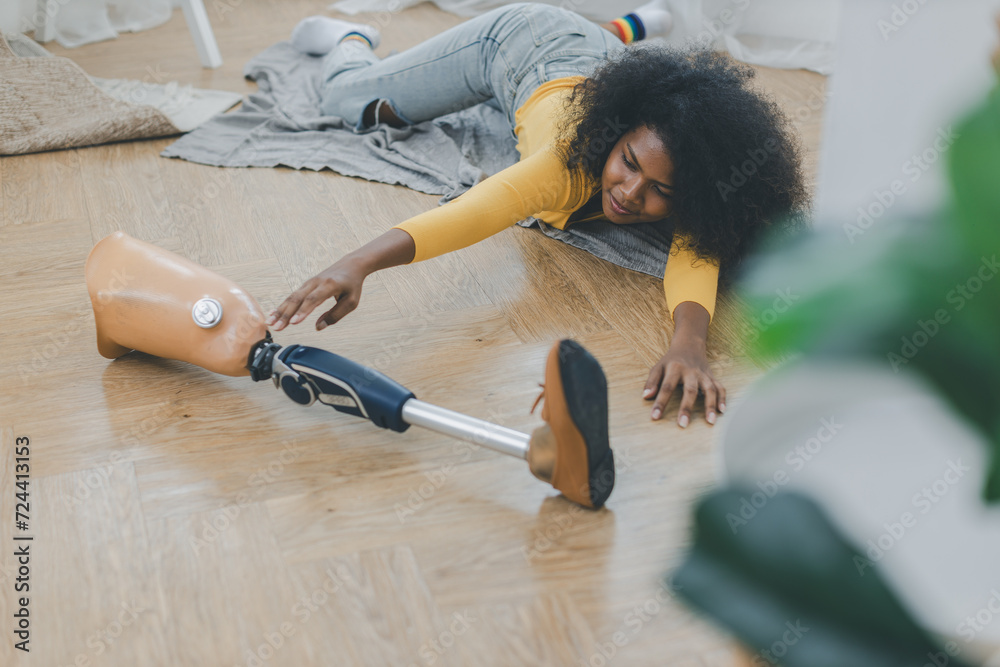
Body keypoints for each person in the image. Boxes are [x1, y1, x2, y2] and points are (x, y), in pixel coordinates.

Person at [267, 2, 807, 429]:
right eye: (627, 162)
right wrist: (357, 264)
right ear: (614, 134)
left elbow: (697, 252)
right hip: (517, 41)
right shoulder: (570, 158)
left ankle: (623, 29)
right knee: (348, 101)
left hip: (592, 57)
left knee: (610, 79)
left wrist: (689, 347)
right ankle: (349, 37)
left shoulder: (680, 166)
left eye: (661, 189)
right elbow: (477, 210)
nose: (629, 191)